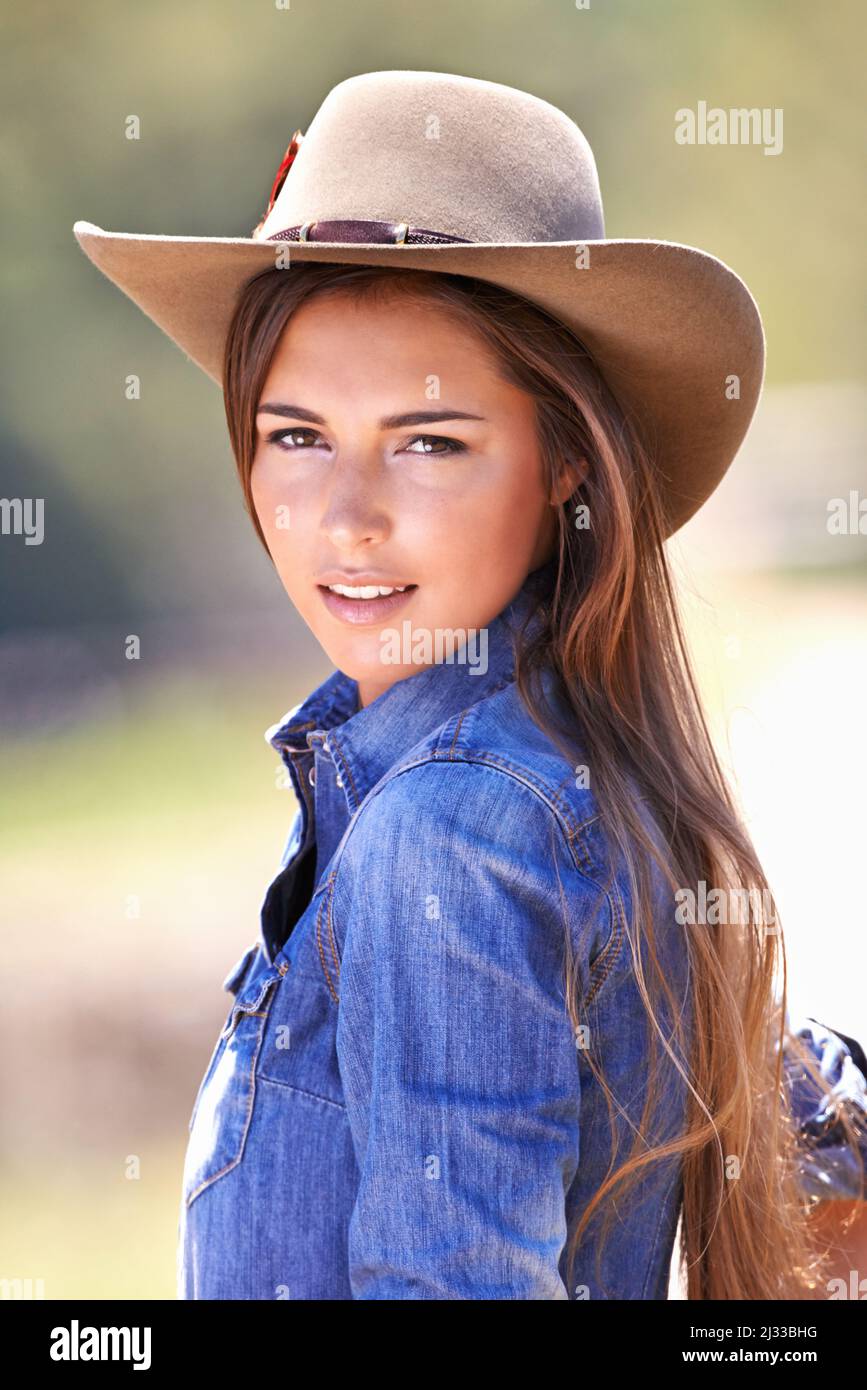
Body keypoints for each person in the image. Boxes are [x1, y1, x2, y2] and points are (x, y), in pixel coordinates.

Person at [73, 70, 866, 1300]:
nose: (346, 519)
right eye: (297, 436)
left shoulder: (454, 830)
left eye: (429, 441)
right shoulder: (572, 776)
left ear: (564, 461)